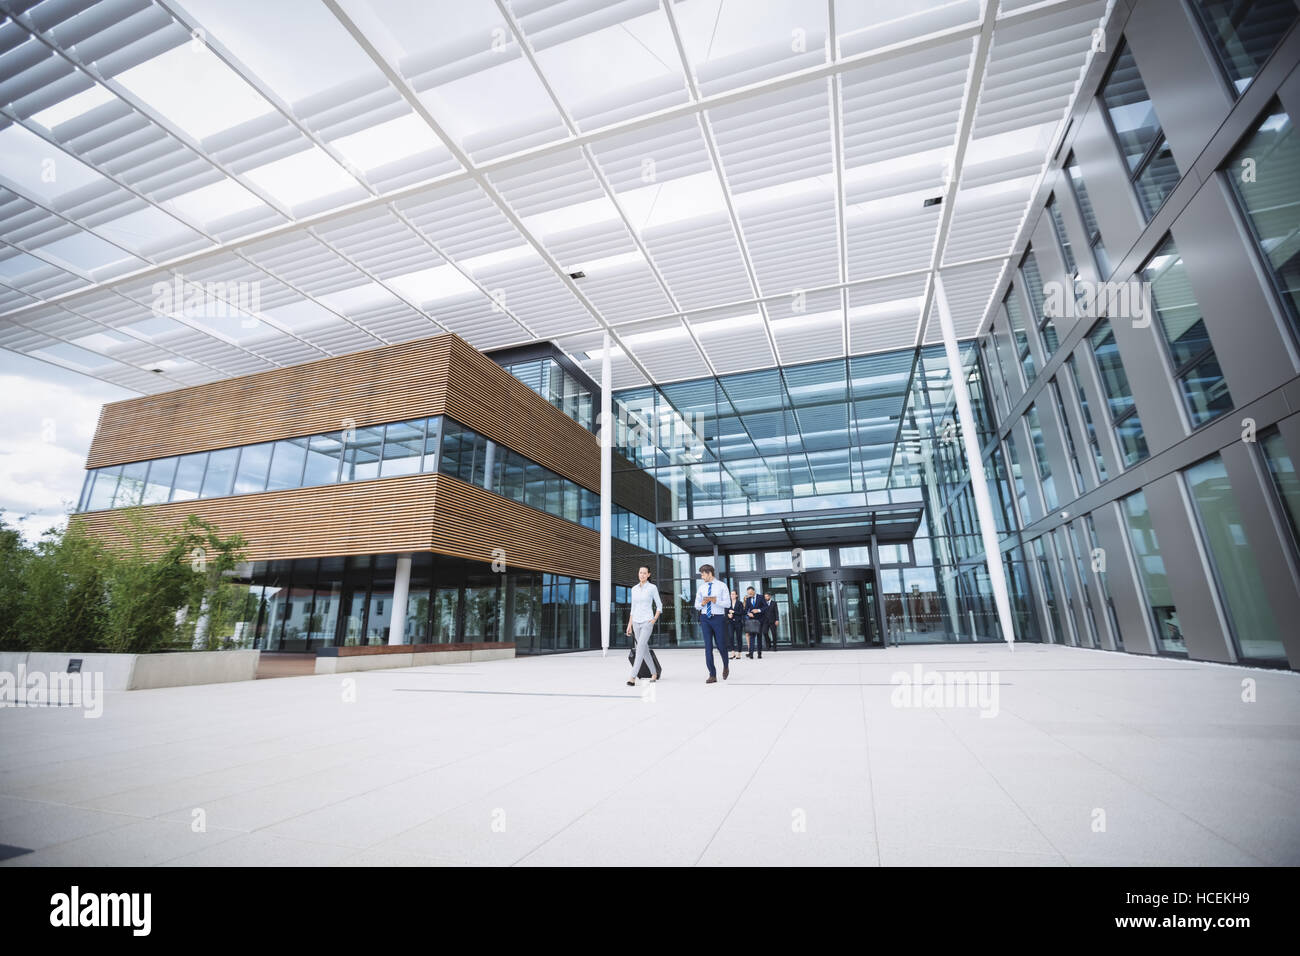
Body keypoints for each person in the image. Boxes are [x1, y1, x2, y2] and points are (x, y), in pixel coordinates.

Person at [625, 566, 663, 686]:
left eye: (644, 573)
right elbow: (633, 608)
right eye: (640, 572)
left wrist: (653, 620)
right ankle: (654, 673)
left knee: (640, 647)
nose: (642, 575)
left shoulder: (652, 588)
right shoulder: (634, 589)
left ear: (648, 575)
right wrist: (629, 624)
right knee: (644, 649)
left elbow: (659, 606)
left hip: (647, 621)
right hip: (636, 622)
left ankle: (632, 677)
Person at [694, 565, 728, 683]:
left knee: (720, 645)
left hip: (718, 618)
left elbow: (728, 604)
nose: (702, 577)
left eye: (703, 574)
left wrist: (715, 600)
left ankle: (726, 666)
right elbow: (696, 605)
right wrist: (703, 603)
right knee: (708, 647)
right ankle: (712, 674)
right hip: (705, 618)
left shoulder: (722, 586)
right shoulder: (701, 588)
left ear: (709, 573)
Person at [743, 587, 767, 659]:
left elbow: (766, 607)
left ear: (754, 591)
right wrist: (748, 613)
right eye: (748, 593)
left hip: (760, 620)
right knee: (752, 637)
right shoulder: (748, 599)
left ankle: (759, 653)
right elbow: (746, 610)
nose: (749, 594)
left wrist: (758, 610)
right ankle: (751, 654)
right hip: (752, 621)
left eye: (750, 593)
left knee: (759, 637)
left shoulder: (761, 597)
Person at [727, 590, 744, 660]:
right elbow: (725, 611)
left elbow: (741, 612)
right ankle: (732, 652)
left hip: (738, 622)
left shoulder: (740, 603)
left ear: (736, 595)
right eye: (731, 594)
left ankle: (739, 653)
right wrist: (728, 615)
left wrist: (733, 612)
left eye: (733, 594)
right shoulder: (728, 603)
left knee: (738, 637)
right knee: (731, 637)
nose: (732, 595)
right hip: (730, 622)